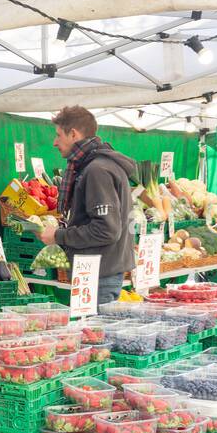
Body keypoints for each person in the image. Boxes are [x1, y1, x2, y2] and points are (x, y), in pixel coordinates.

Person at [40, 105, 137, 304]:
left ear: (73, 134)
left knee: (96, 333)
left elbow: (106, 230)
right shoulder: (98, 165)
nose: (54, 142)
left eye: (58, 135)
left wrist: (58, 236)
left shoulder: (96, 170)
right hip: (101, 271)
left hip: (100, 275)